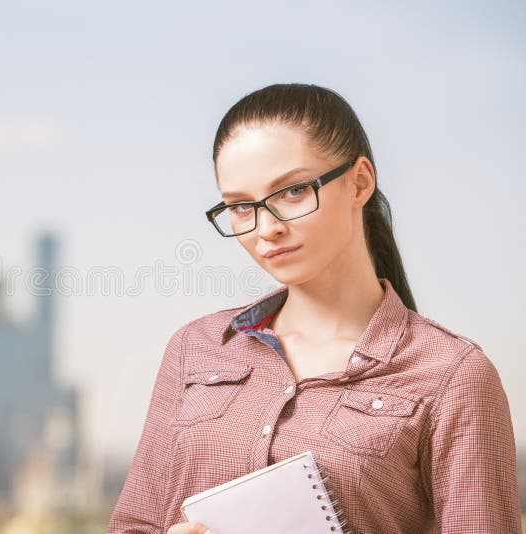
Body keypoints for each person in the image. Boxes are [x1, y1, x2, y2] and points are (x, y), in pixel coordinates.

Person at [106, 83, 522, 533]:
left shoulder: (452, 376)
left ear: (359, 182)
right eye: (242, 207)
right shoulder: (196, 348)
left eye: (292, 192)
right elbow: (135, 524)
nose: (266, 229)